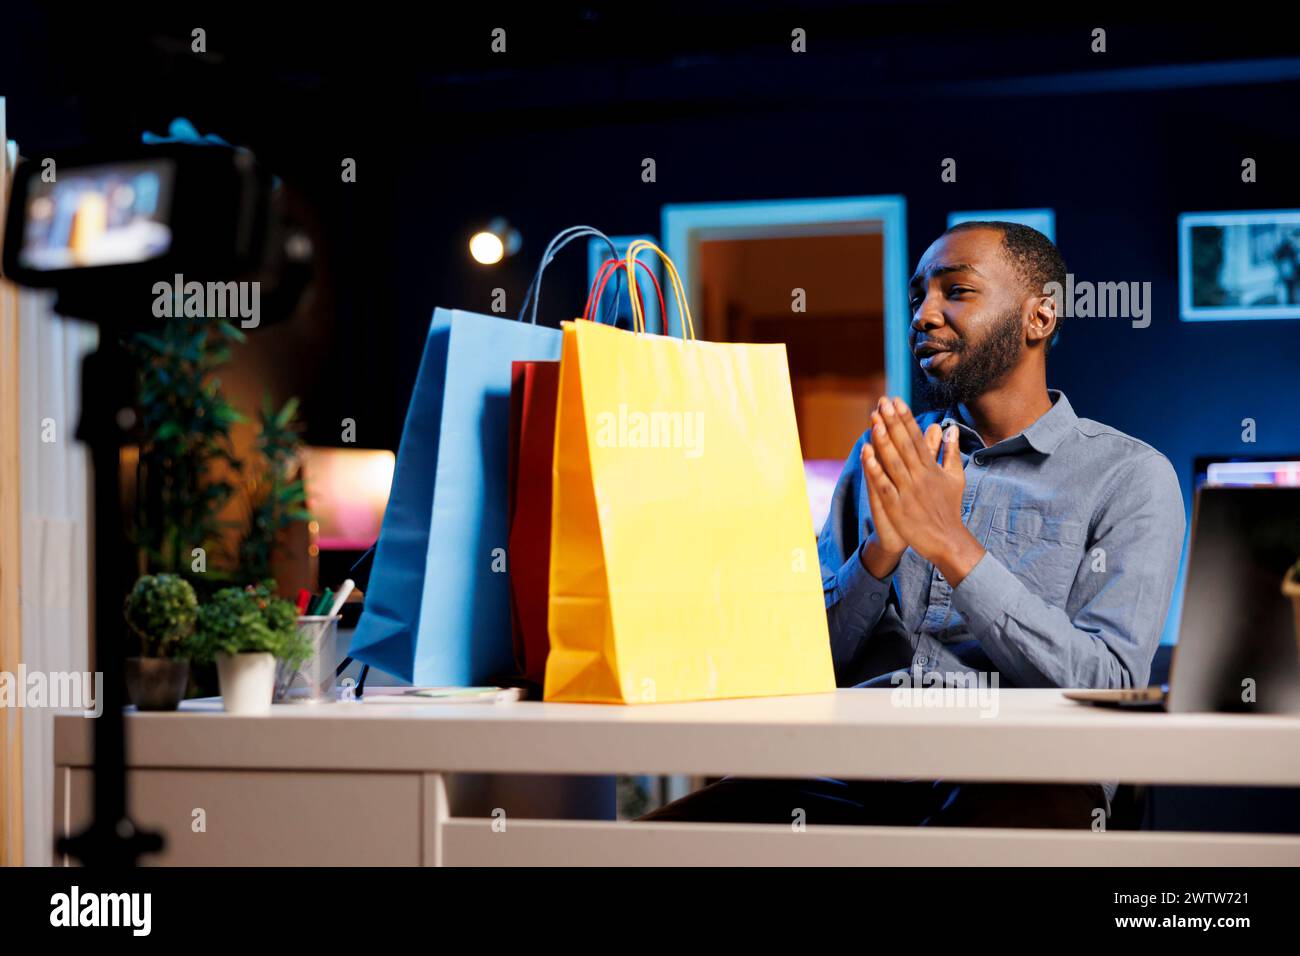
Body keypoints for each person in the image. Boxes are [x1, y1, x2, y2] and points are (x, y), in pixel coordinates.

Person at [640, 221, 1186, 828]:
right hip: (847, 765)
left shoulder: (1129, 477)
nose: (923, 315)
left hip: (1022, 767)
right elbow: (804, 664)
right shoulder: (884, 454)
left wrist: (951, 545)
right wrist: (877, 554)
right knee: (651, 845)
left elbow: (1108, 689)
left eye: (956, 291)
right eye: (917, 298)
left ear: (1040, 317)